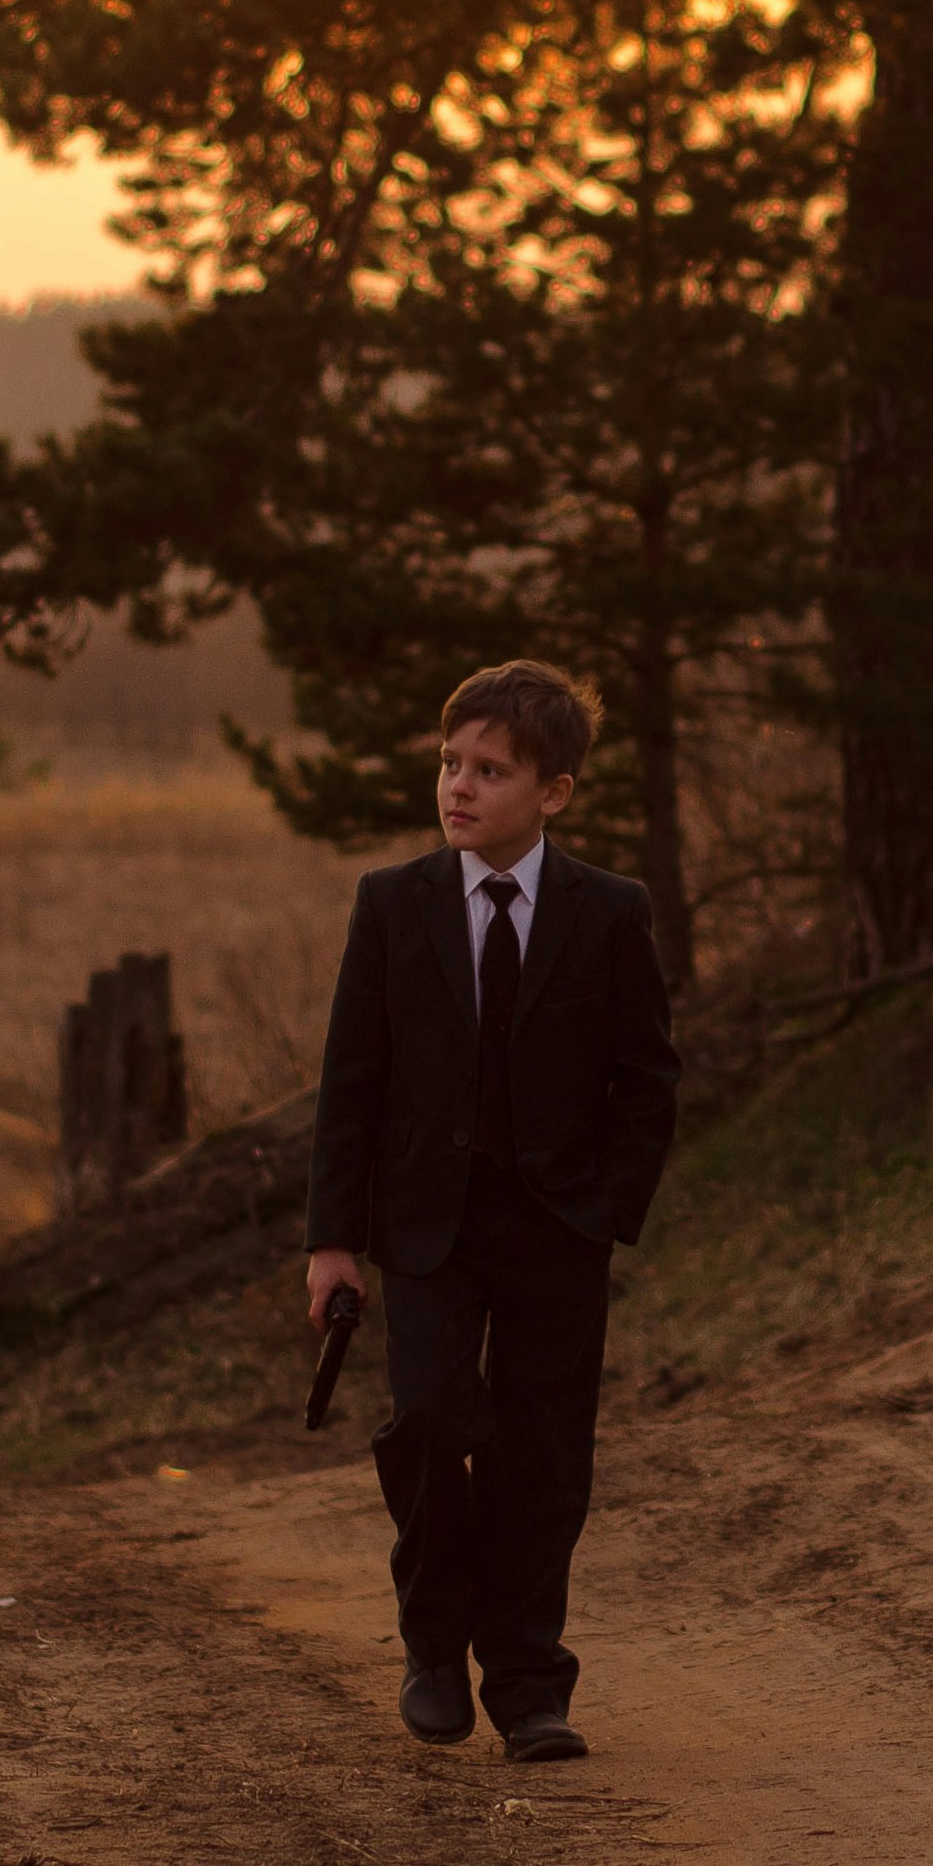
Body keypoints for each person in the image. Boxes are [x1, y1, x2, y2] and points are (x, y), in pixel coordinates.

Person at [304, 661, 681, 1764]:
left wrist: (608, 1206)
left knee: (540, 1450)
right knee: (425, 1419)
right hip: (425, 1226)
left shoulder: (609, 912)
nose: (458, 788)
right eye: (449, 764)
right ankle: (433, 1642)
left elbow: (645, 1075)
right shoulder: (392, 902)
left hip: (556, 1228)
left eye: (490, 770)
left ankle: (526, 1681)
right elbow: (351, 1079)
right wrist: (332, 1239)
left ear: (553, 791)